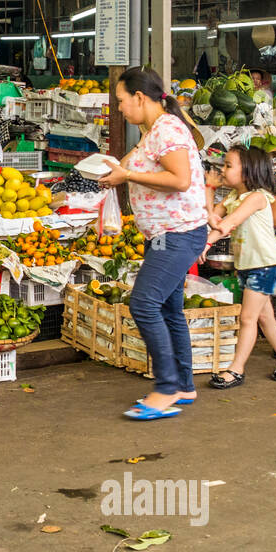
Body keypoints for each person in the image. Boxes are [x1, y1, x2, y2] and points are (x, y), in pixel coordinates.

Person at [99, 67, 210, 420]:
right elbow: (129, 166)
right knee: (168, 309)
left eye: (121, 101)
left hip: (177, 234)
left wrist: (128, 174)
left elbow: (180, 180)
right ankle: (184, 385)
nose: (119, 108)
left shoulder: (168, 130)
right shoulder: (152, 132)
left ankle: (165, 388)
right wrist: (114, 173)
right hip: (163, 235)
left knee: (144, 304)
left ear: (139, 97)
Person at [205, 147, 276, 387]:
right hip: (247, 266)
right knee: (265, 317)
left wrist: (207, 242)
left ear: (248, 172)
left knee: (247, 318)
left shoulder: (257, 197)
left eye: (228, 165)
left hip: (264, 266)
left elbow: (229, 222)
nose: (223, 170)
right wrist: (209, 188)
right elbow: (212, 218)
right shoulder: (233, 197)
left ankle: (236, 369)